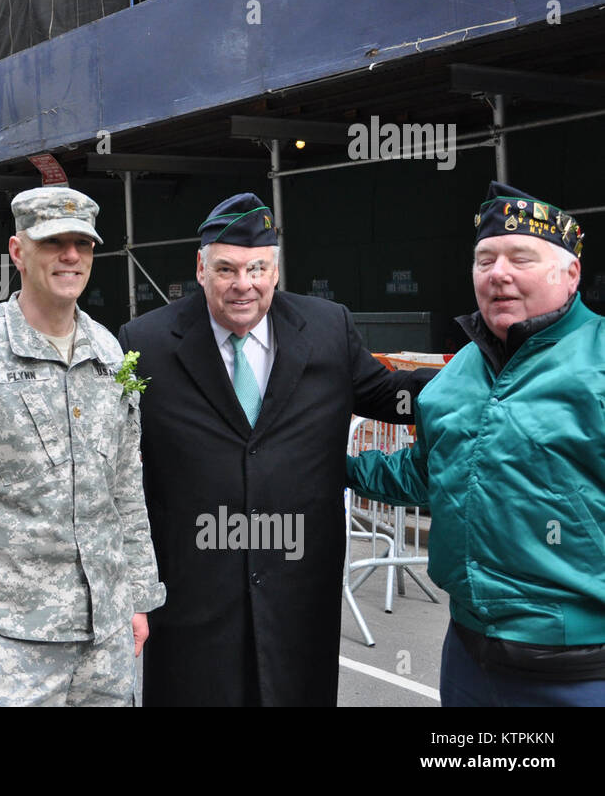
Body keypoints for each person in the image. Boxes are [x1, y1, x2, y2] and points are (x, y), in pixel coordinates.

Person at [117, 192, 433, 706]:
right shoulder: (146, 342)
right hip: (192, 598)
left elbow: (384, 395)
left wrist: (471, 388)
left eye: (256, 268)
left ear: (276, 269)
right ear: (200, 268)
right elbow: (111, 465)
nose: (243, 284)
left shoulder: (328, 329)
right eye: (226, 269)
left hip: (298, 591)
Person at [0, 186, 165, 707]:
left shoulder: (108, 352)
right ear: (18, 252)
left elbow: (125, 487)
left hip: (104, 635)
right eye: (53, 242)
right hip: (9, 636)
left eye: (82, 244)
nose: (70, 256)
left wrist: (137, 595)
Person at [348, 182, 603, 705]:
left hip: (582, 669)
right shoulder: (456, 373)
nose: (499, 273)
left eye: (520, 257)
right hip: (468, 658)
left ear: (570, 273)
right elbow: (424, 473)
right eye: (485, 259)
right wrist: (334, 464)